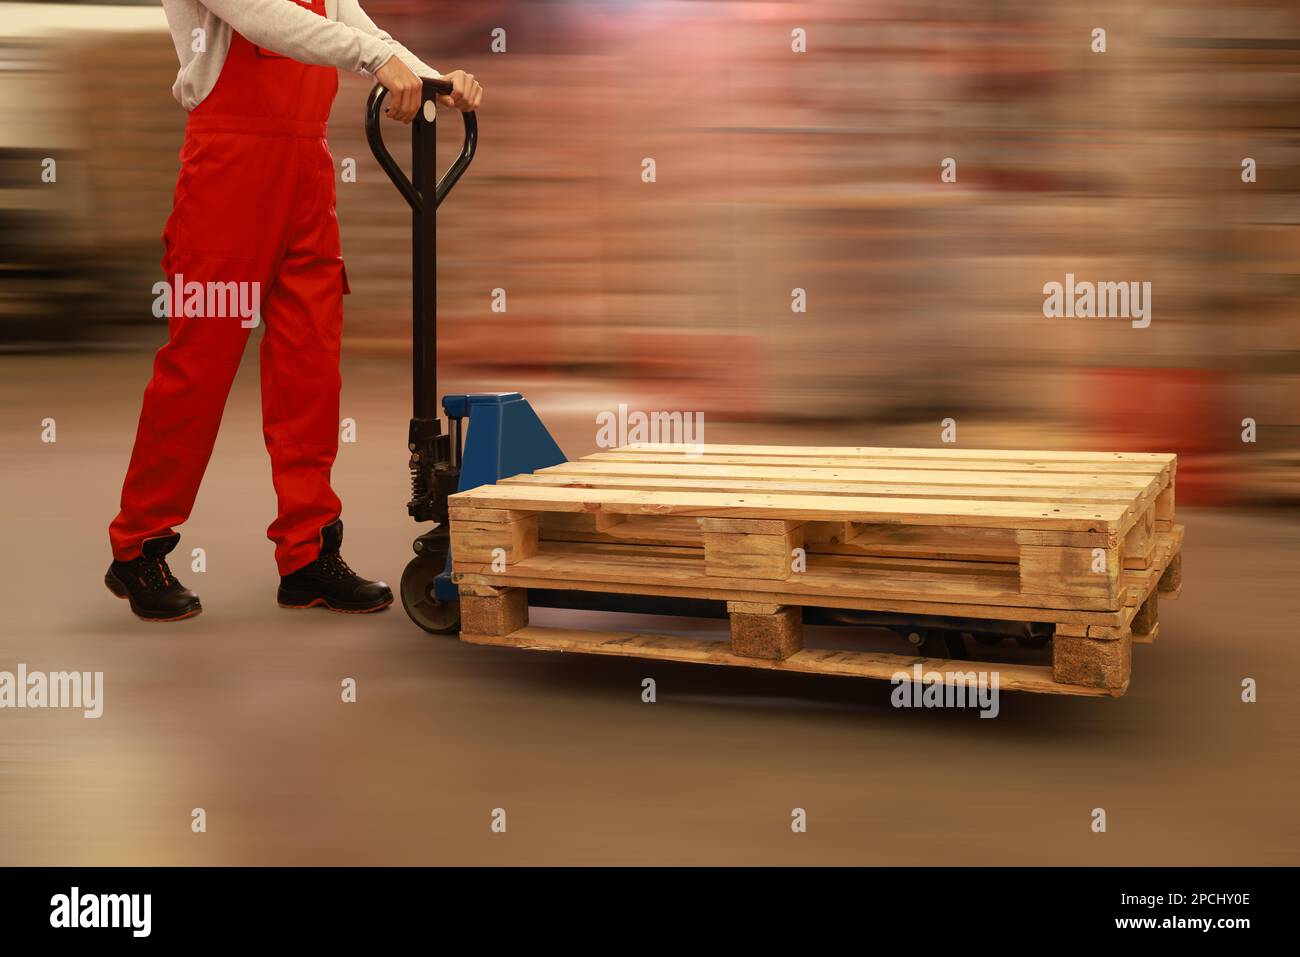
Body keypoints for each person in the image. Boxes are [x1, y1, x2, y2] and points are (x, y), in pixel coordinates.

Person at [105, 0, 482, 621]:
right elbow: (262, 17)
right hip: (227, 177)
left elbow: (361, 30)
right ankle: (139, 546)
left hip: (306, 176)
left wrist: (435, 81)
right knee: (197, 369)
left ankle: (307, 554)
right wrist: (381, 60)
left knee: (310, 368)